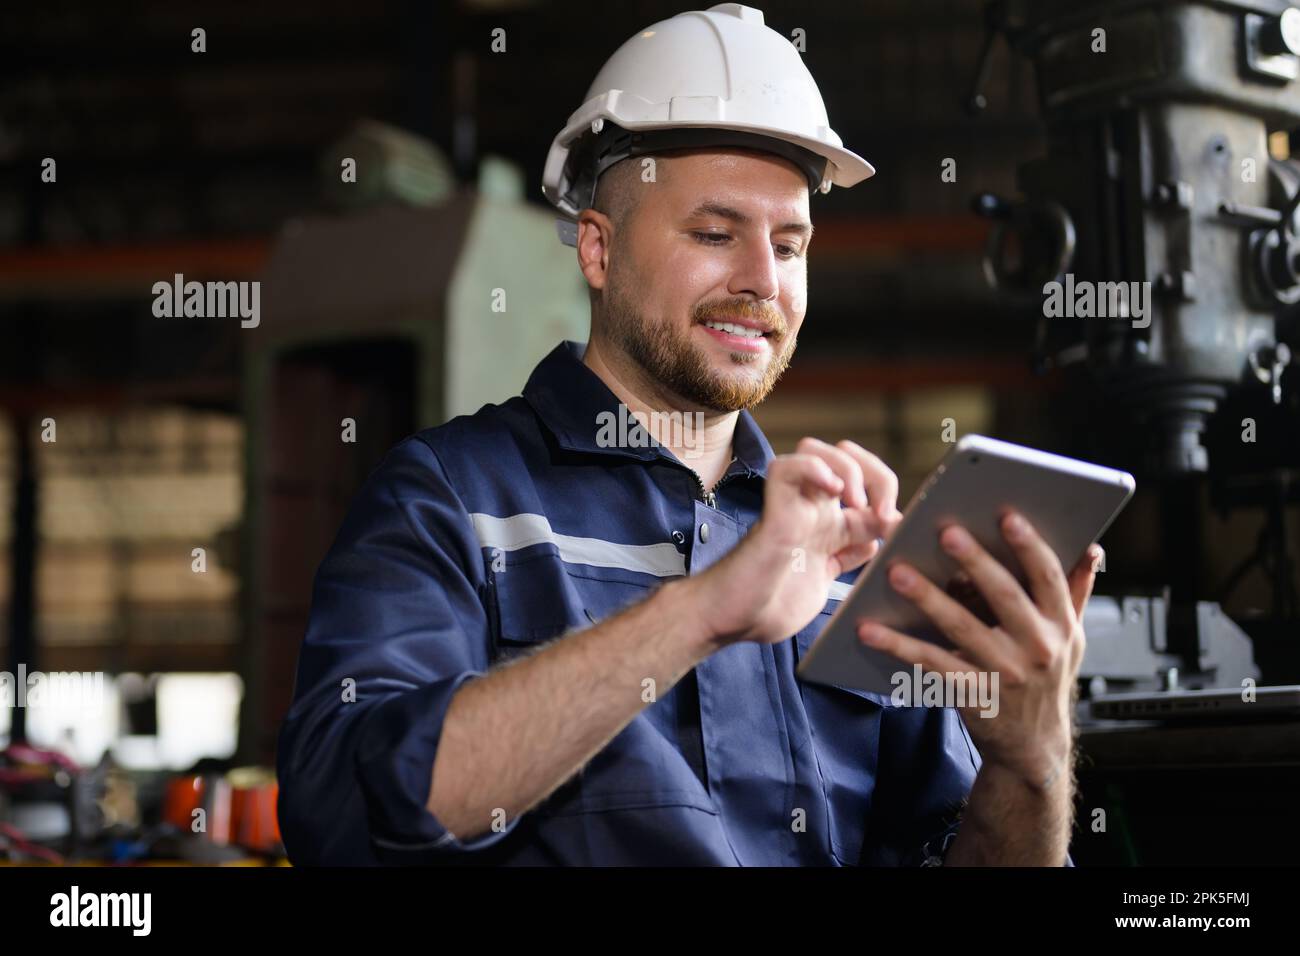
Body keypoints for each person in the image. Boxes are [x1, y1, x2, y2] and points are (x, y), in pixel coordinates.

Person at [276, 2, 1101, 866]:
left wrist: (1031, 758)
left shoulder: (850, 560)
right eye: (714, 233)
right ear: (597, 251)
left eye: (790, 246)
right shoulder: (449, 499)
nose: (760, 281)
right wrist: (703, 610)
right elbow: (343, 814)